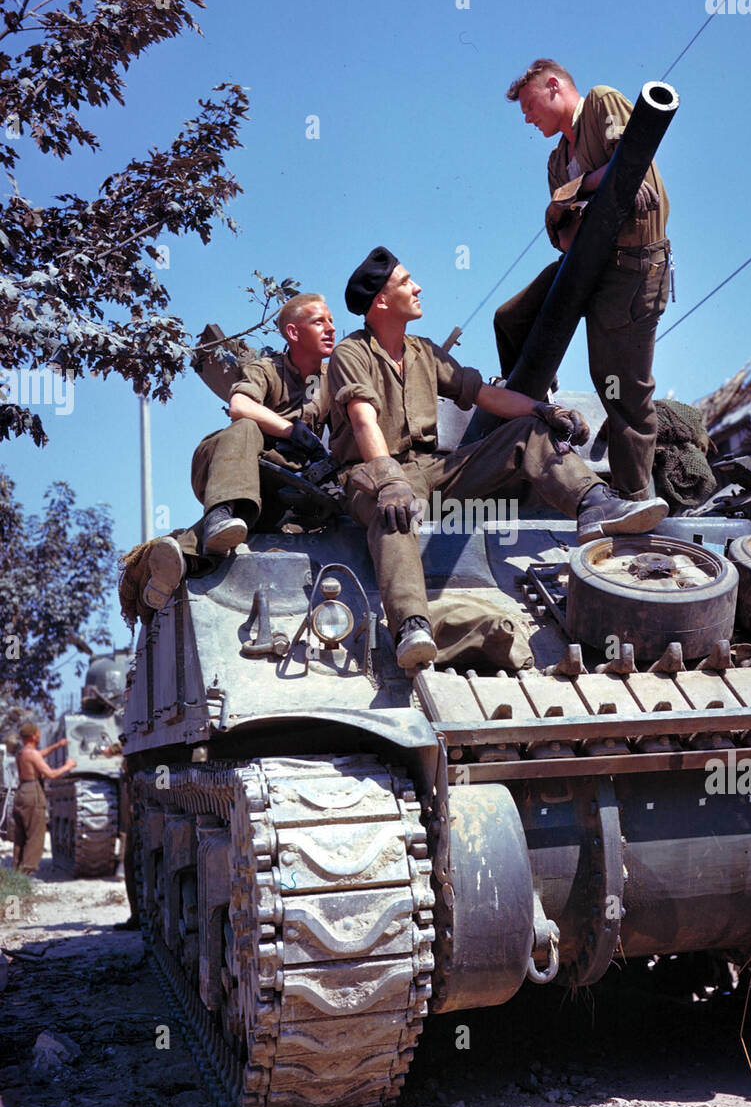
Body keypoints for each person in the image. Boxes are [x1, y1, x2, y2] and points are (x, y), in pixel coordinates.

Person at [328, 247, 668, 670]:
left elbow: (482, 393)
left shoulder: (423, 352)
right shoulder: (351, 354)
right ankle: (412, 625)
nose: (417, 288)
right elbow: (363, 419)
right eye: (405, 282)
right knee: (394, 513)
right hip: (372, 474)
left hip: (432, 471)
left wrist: (540, 410)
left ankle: (594, 504)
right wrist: (387, 479)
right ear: (381, 300)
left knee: (526, 432)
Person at [494, 58, 672, 503]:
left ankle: (634, 498)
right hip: (585, 265)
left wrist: (574, 196)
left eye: (530, 107)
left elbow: (627, 167)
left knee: (622, 387)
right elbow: (564, 232)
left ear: (554, 86)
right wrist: (580, 193)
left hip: (632, 268)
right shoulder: (558, 161)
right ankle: (537, 411)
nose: (528, 119)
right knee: (510, 318)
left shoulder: (599, 103)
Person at [126, 293, 335, 618]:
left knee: (238, 537)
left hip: (277, 494)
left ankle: (178, 560)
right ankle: (219, 514)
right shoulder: (267, 370)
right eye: (319, 321)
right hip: (227, 466)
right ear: (293, 333)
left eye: (332, 321)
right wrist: (292, 432)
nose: (331, 329)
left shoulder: (330, 382)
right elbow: (240, 407)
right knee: (247, 428)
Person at [13, 723, 76, 876]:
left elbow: (39, 754)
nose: (40, 736)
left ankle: (18, 873)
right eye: (39, 734)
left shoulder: (23, 752)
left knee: (21, 835)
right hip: (33, 793)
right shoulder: (32, 754)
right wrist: (68, 766)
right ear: (34, 736)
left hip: (22, 791)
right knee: (35, 834)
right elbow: (51, 774)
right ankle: (28, 872)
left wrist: (57, 746)